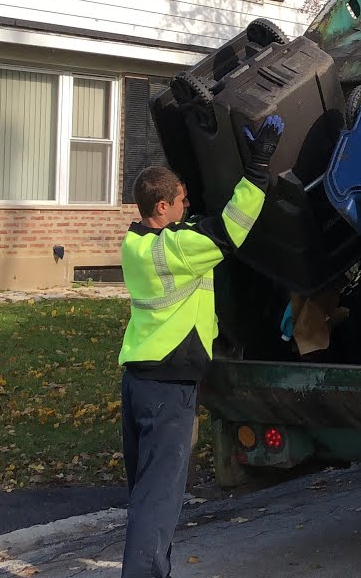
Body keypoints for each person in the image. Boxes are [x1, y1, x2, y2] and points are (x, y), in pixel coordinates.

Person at [118, 115, 284, 578]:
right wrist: (258, 169)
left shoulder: (136, 244)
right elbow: (232, 228)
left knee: (146, 493)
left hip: (139, 382)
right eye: (182, 202)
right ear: (163, 207)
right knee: (159, 498)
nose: (186, 206)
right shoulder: (178, 250)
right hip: (169, 389)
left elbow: (195, 228)